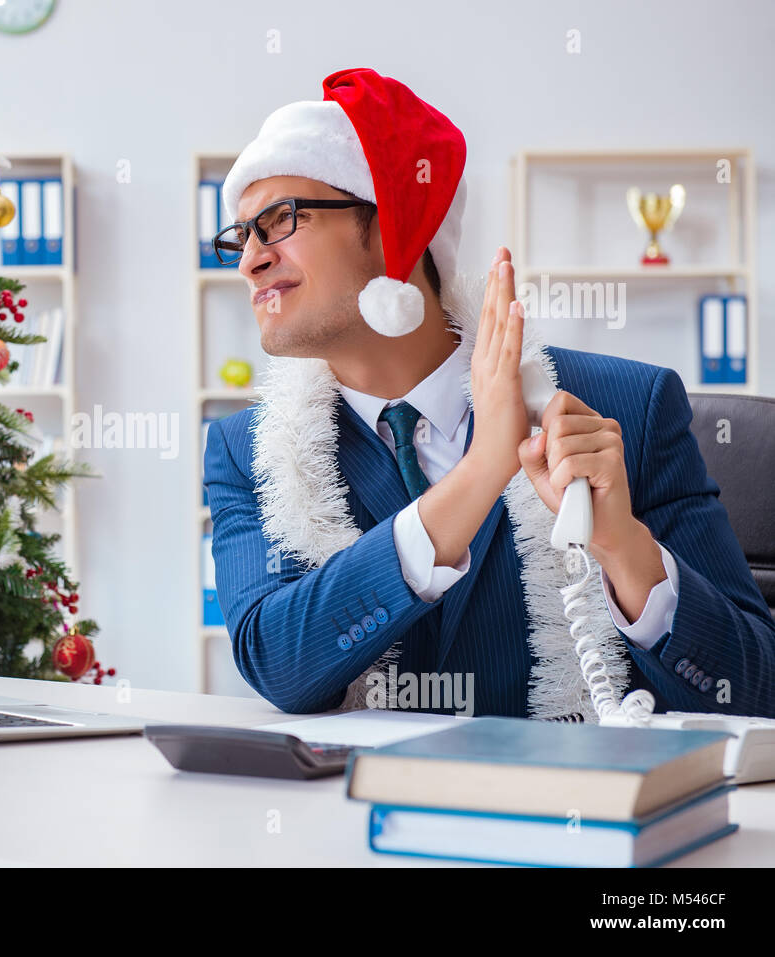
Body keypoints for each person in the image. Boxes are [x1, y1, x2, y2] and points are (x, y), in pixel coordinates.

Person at [203, 67, 775, 719]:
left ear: (392, 226)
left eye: (280, 219)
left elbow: (757, 692)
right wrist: (482, 470)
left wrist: (624, 547)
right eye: (239, 235)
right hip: (356, 817)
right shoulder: (243, 452)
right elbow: (280, 667)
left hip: (569, 814)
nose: (249, 260)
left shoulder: (628, 407)